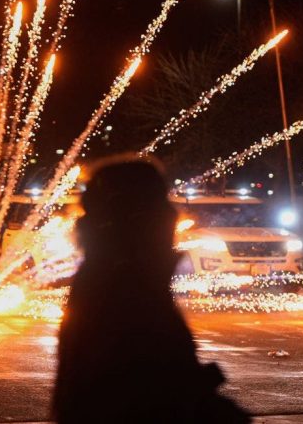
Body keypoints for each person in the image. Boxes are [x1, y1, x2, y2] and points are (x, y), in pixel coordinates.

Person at [53, 155, 249, 423]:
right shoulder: (126, 289)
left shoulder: (115, 276)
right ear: (138, 216)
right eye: (161, 203)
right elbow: (147, 393)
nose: (173, 214)